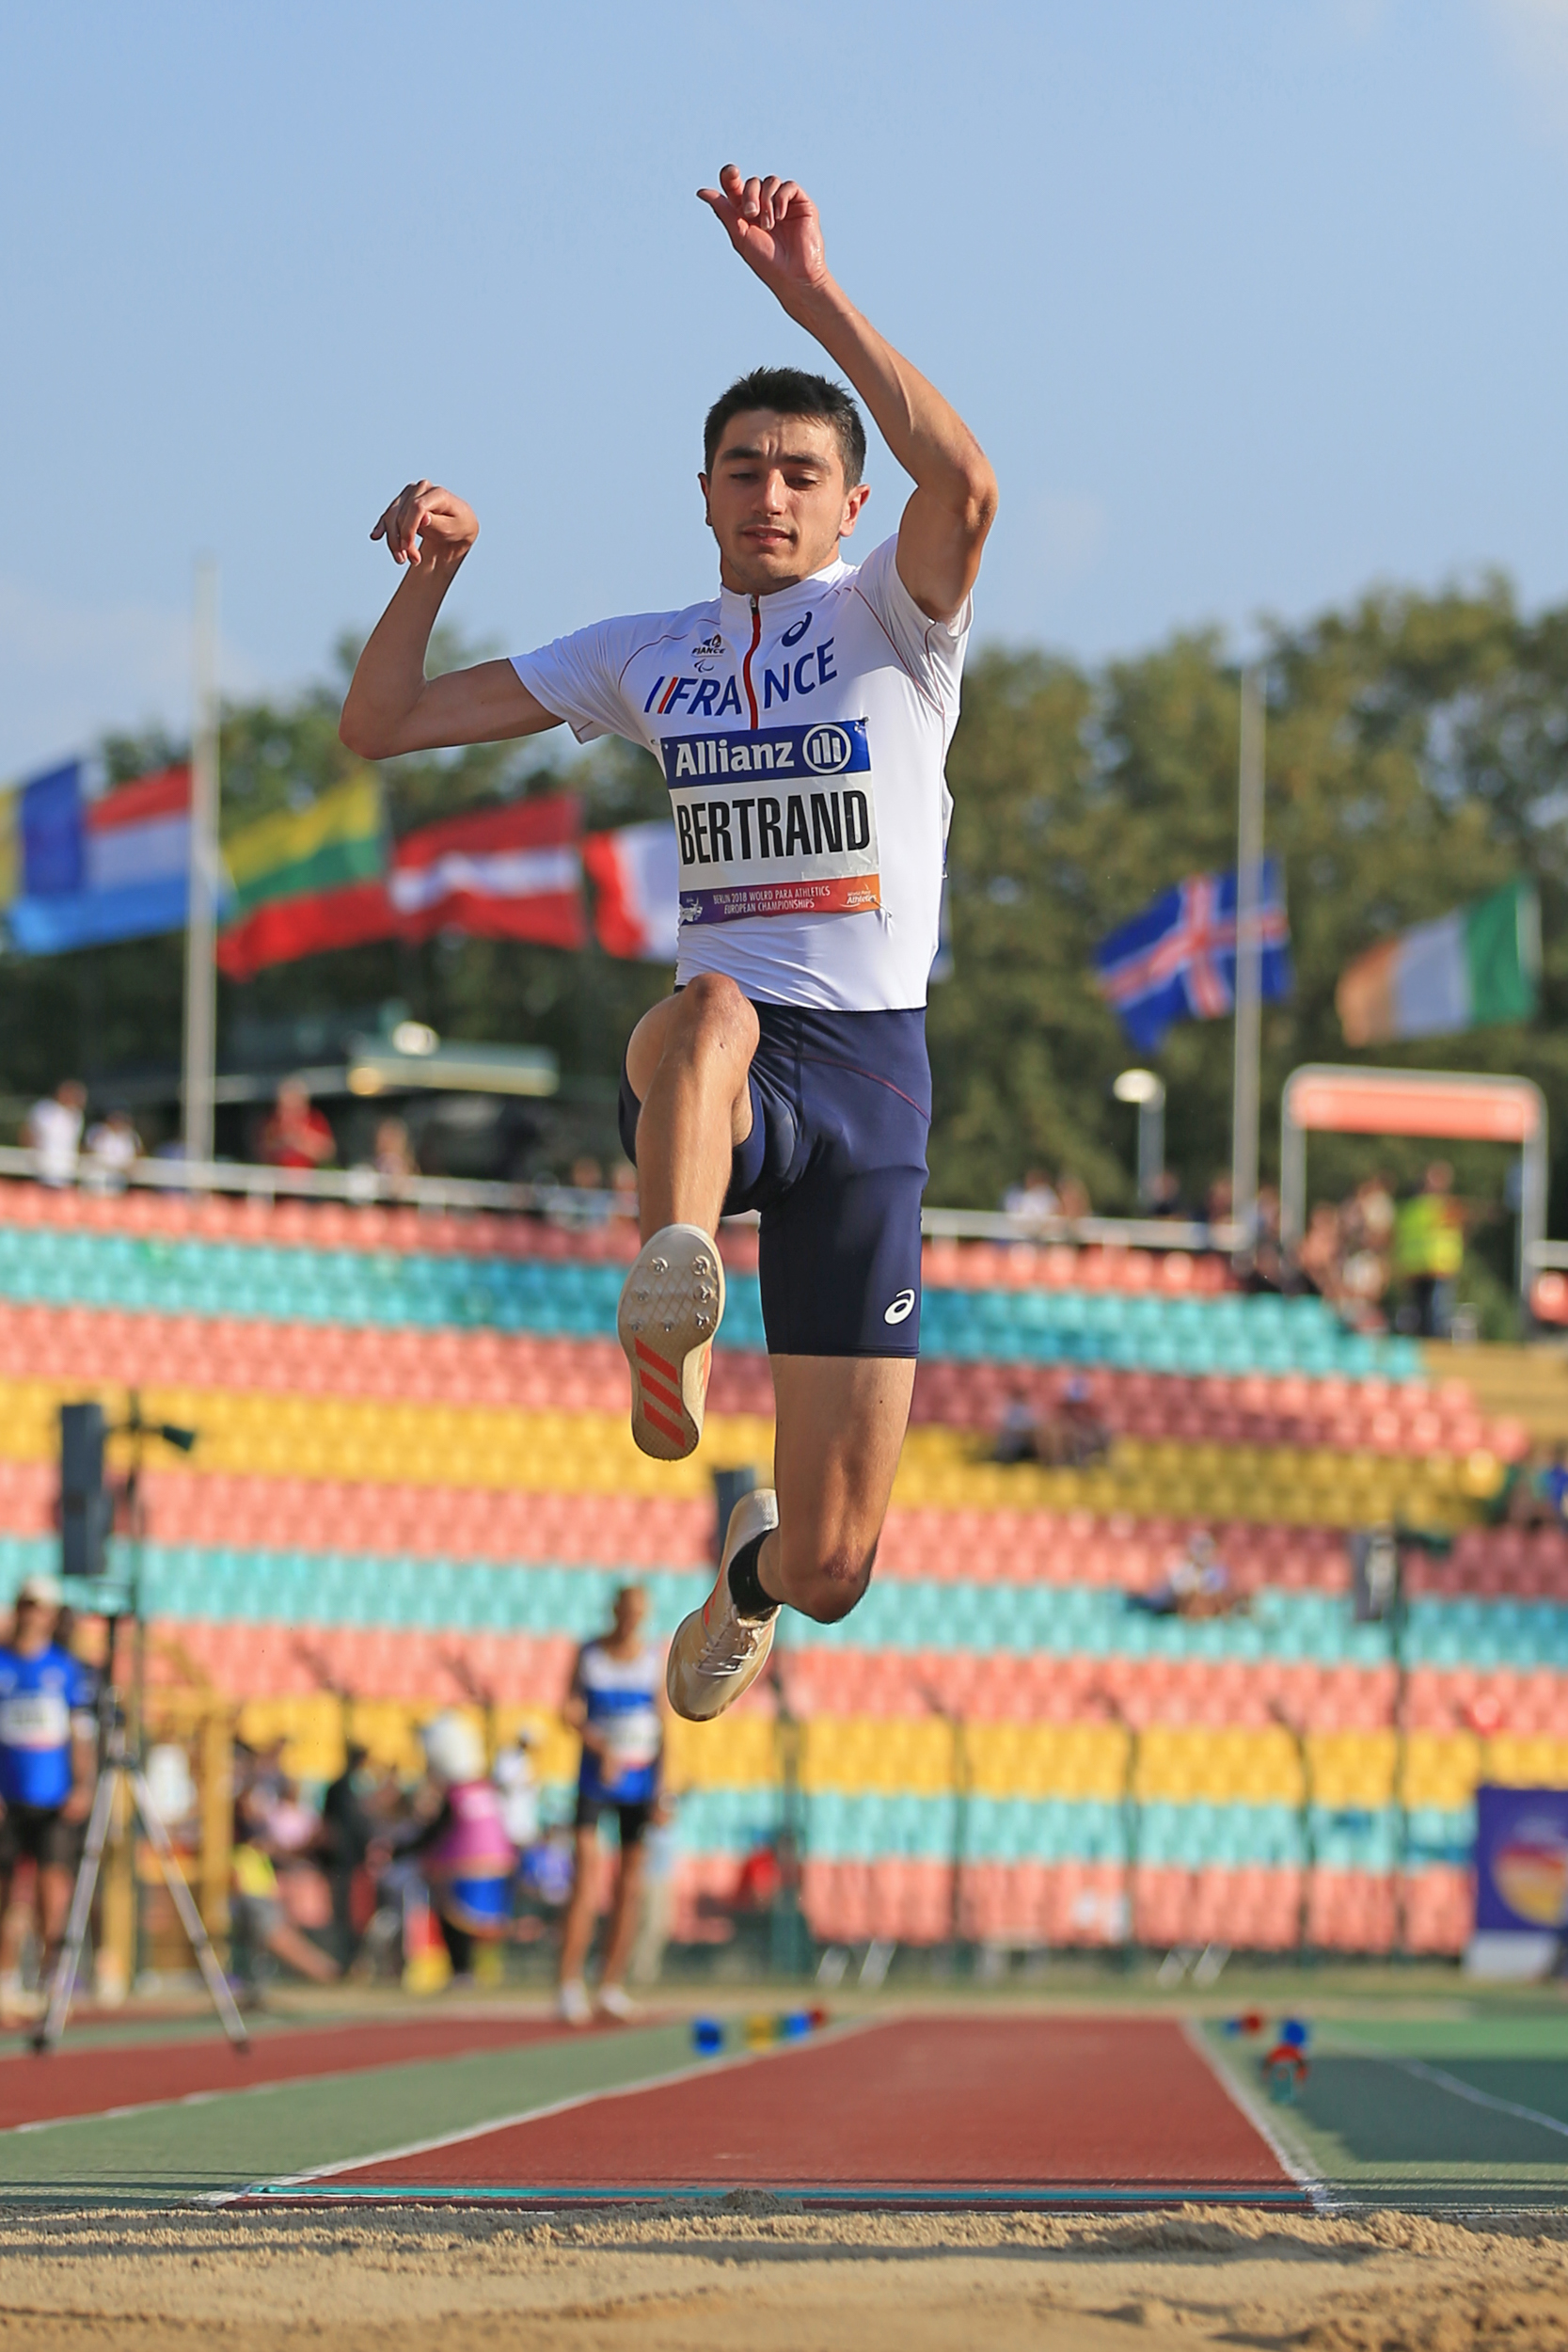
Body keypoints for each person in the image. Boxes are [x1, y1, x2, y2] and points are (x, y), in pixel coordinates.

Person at [341, 165, 997, 1727]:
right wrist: (433, 573)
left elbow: (967, 486)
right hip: (722, 1073)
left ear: (849, 507)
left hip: (871, 1096)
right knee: (704, 1011)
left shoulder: (896, 624)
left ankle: (746, 1577)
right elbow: (383, 724)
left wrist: (807, 296)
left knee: (836, 1563)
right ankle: (671, 1295)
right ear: (699, 494)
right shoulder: (646, 655)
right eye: (740, 469)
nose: (768, 492)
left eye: (799, 473)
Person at [556, 1583, 666, 2025]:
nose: (632, 1619)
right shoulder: (591, 1654)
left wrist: (663, 1789)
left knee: (629, 1884)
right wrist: (599, 1747)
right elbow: (568, 1710)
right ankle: (568, 1983)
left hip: (640, 1783)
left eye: (639, 1612)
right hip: (596, 1780)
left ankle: (610, 1984)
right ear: (614, 1610)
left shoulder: (652, 1658)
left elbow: (665, 1725)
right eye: (626, 1610)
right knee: (585, 1877)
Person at [0, 1575, 97, 2016]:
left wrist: (82, 1784)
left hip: (54, 1799)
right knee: (7, 1893)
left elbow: (80, 1734)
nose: (32, 1615)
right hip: (9, 1798)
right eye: (27, 1604)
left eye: (40, 1607)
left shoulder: (65, 1669)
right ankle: (6, 1982)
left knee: (52, 1891)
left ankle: (51, 1982)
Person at [405, 1714, 516, 1986]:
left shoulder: (454, 1794)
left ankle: (461, 1970)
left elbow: (434, 1832)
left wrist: (401, 1850)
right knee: (482, 1921)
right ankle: (482, 1969)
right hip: (498, 1862)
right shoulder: (484, 1788)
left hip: (461, 1865)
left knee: (453, 1916)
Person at [258, 1078, 336, 1171]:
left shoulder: (315, 1119)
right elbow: (263, 1151)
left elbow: (327, 1152)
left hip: (309, 1174)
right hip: (279, 1175)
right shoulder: (273, 1123)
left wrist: (299, 1141)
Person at [24, 1081, 86, 1189]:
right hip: (43, 1170)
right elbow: (27, 1134)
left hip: (66, 1173)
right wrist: (33, 1159)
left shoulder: (76, 1117)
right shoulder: (45, 1109)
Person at [82, 1106, 141, 1194]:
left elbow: (136, 1158)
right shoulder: (97, 1131)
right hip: (97, 1174)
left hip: (118, 1176)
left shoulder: (131, 1136)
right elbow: (86, 1150)